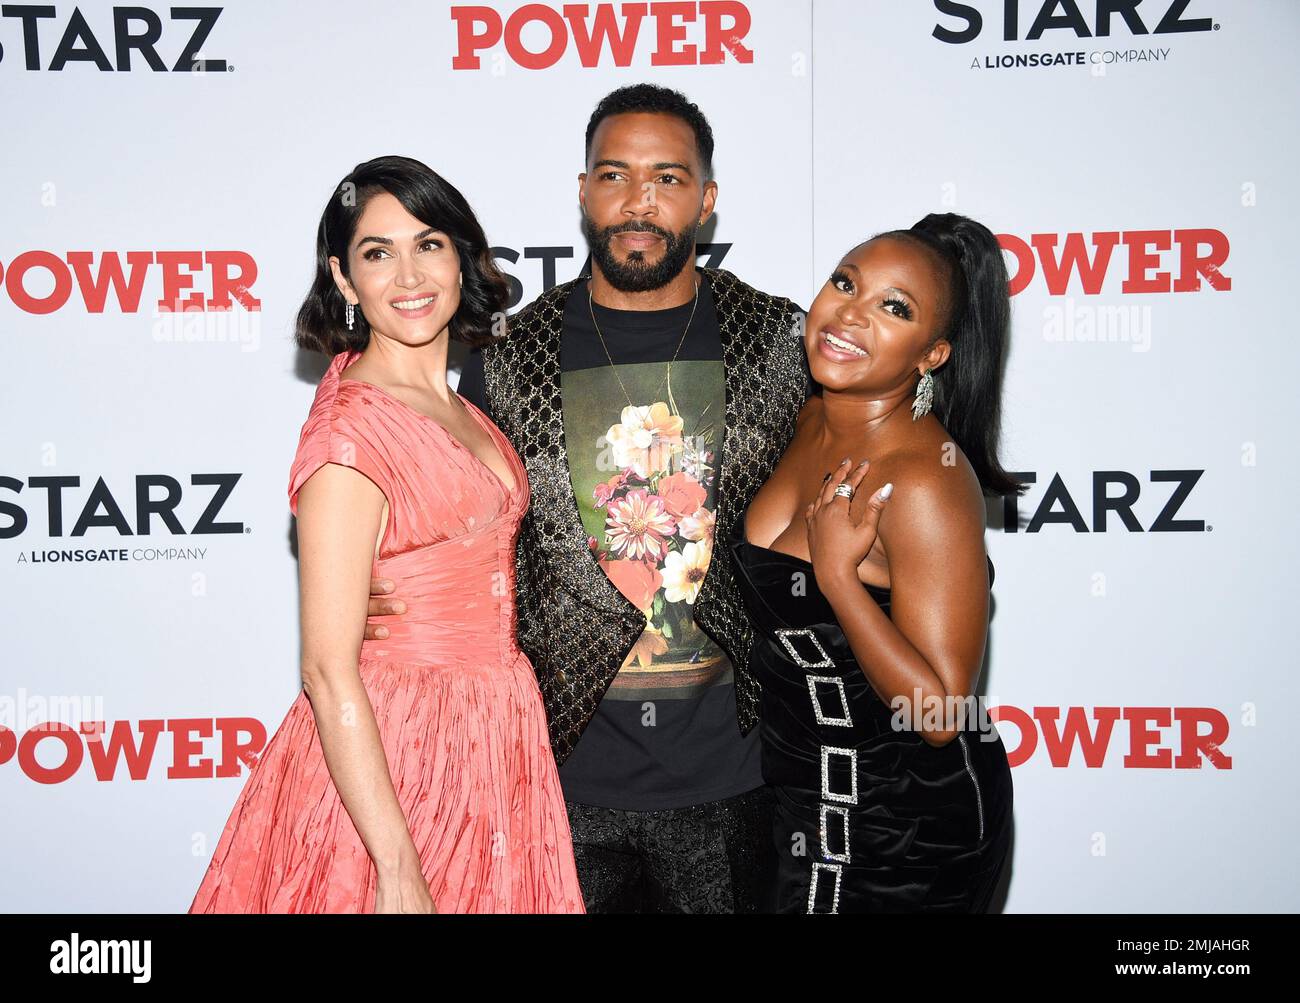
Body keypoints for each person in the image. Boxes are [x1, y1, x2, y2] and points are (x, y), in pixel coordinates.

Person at [369, 84, 812, 912]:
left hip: (737, 783)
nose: (638, 201)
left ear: (707, 200)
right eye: (614, 174)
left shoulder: (776, 341)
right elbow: (474, 542)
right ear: (582, 192)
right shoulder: (507, 356)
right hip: (557, 781)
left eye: (668, 178)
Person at [189, 155, 585, 914]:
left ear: (462, 259)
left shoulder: (463, 403)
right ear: (343, 279)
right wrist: (397, 868)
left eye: (428, 244)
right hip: (401, 750)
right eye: (378, 253)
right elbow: (328, 669)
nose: (409, 275)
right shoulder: (352, 426)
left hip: (495, 730)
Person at [728, 213, 1020, 912]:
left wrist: (839, 581)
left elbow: (943, 709)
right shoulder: (808, 419)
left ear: (933, 354)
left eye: (894, 308)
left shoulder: (925, 479)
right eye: (845, 283)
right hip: (806, 800)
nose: (850, 316)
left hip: (909, 829)